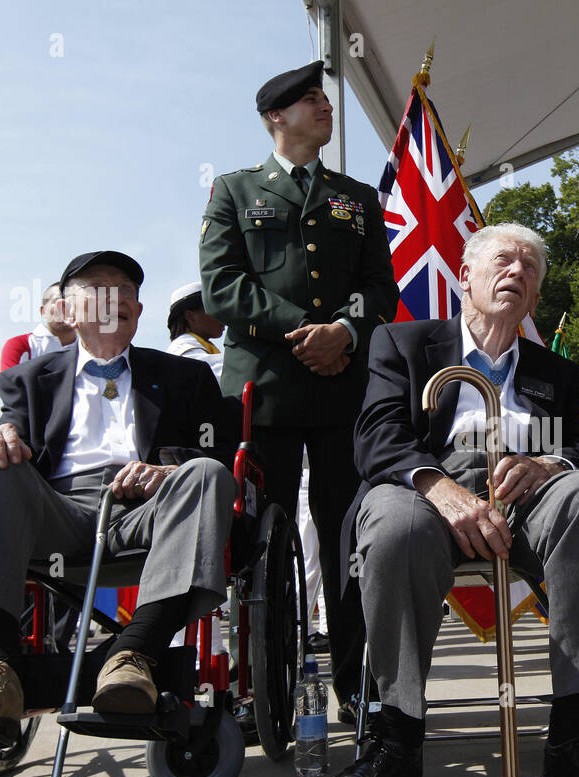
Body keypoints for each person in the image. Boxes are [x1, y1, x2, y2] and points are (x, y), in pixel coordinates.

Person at [315, 224, 579, 777]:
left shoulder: (555, 372)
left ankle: (574, 740)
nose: (518, 273)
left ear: (535, 296)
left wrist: (548, 462)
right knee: (395, 526)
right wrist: (439, 487)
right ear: (464, 275)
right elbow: (377, 439)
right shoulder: (403, 343)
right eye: (504, 260)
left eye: (530, 268)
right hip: (425, 488)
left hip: (526, 497)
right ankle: (394, 739)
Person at [0, 251, 236, 725]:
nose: (115, 299)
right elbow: (11, 439)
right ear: (68, 312)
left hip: (149, 510)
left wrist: (168, 471)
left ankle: (132, 658)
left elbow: (217, 453)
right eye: (98, 289)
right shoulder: (28, 379)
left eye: (126, 291)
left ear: (138, 311)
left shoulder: (186, 375)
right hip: (59, 514)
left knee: (206, 474)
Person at [200, 60, 399, 713]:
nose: (326, 106)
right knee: (264, 541)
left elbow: (381, 290)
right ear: (275, 117)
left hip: (344, 389)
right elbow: (224, 287)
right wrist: (306, 331)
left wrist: (343, 331)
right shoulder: (233, 190)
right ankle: (268, 687)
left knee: (346, 537)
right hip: (266, 394)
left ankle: (356, 684)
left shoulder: (356, 197)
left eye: (325, 97)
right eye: (312, 99)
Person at [0, 283, 76, 369]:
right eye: (57, 301)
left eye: (71, 301)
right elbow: (9, 381)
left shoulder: (91, 349)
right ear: (43, 311)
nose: (64, 307)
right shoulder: (21, 345)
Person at [165, 282, 224, 379]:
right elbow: (225, 376)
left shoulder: (203, 347)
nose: (224, 317)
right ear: (190, 316)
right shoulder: (183, 349)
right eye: (216, 309)